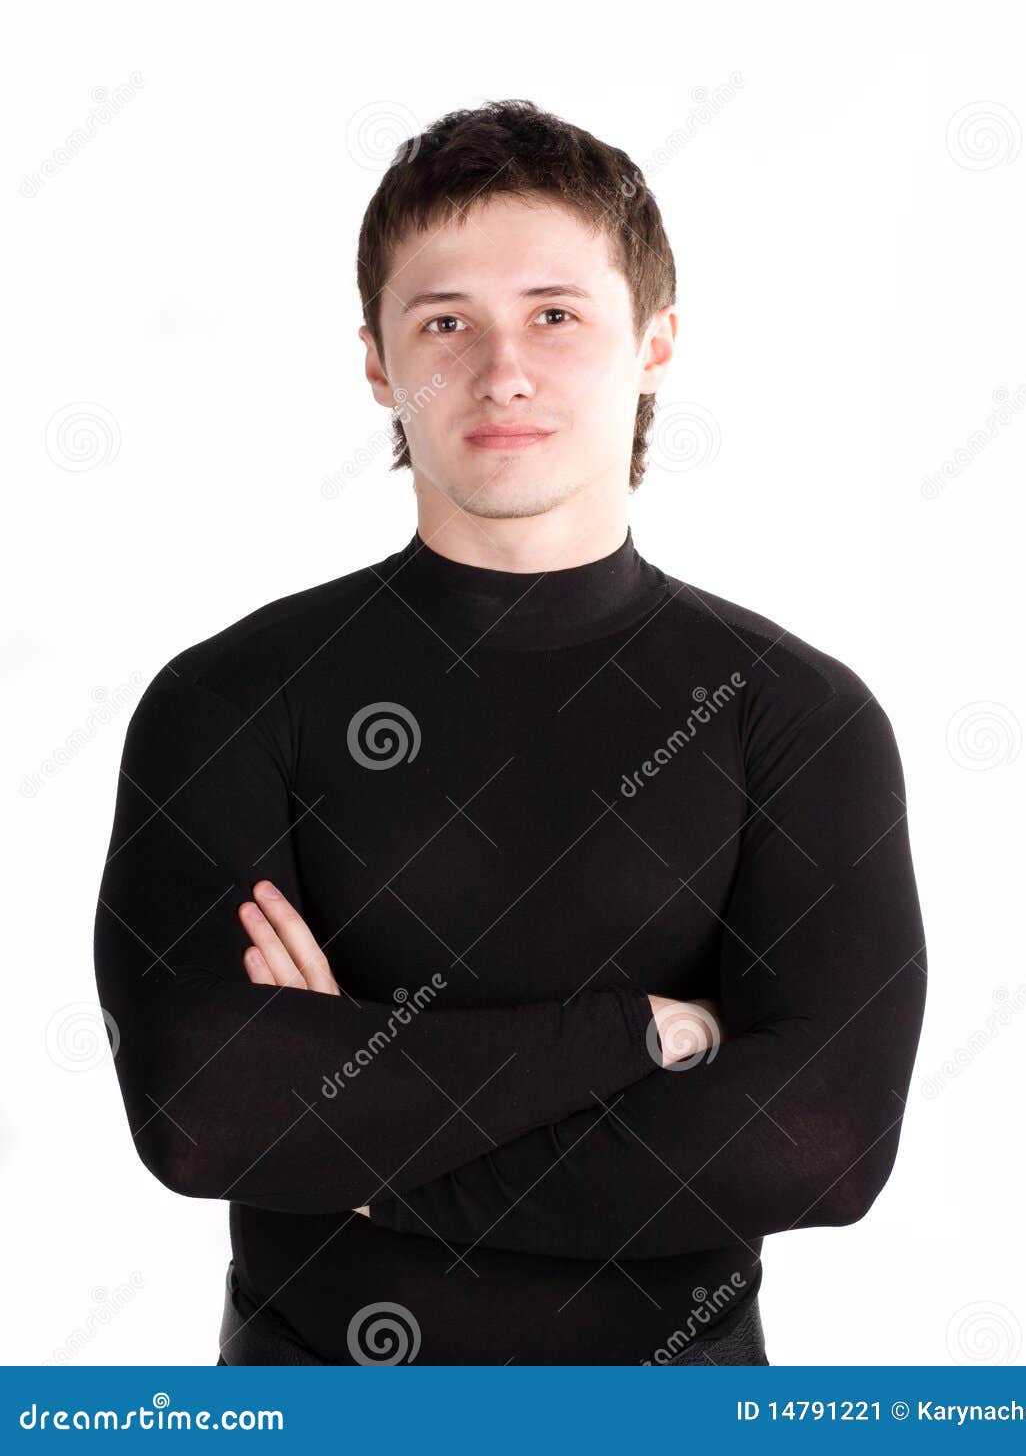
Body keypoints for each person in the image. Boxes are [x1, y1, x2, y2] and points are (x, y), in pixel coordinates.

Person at [93, 99, 926, 1366]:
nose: (502, 370)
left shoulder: (790, 716)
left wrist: (361, 1151)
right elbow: (204, 1111)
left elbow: (822, 1140)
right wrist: (633, 1037)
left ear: (652, 342)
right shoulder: (233, 699)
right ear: (378, 361)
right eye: (444, 323)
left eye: (554, 313)